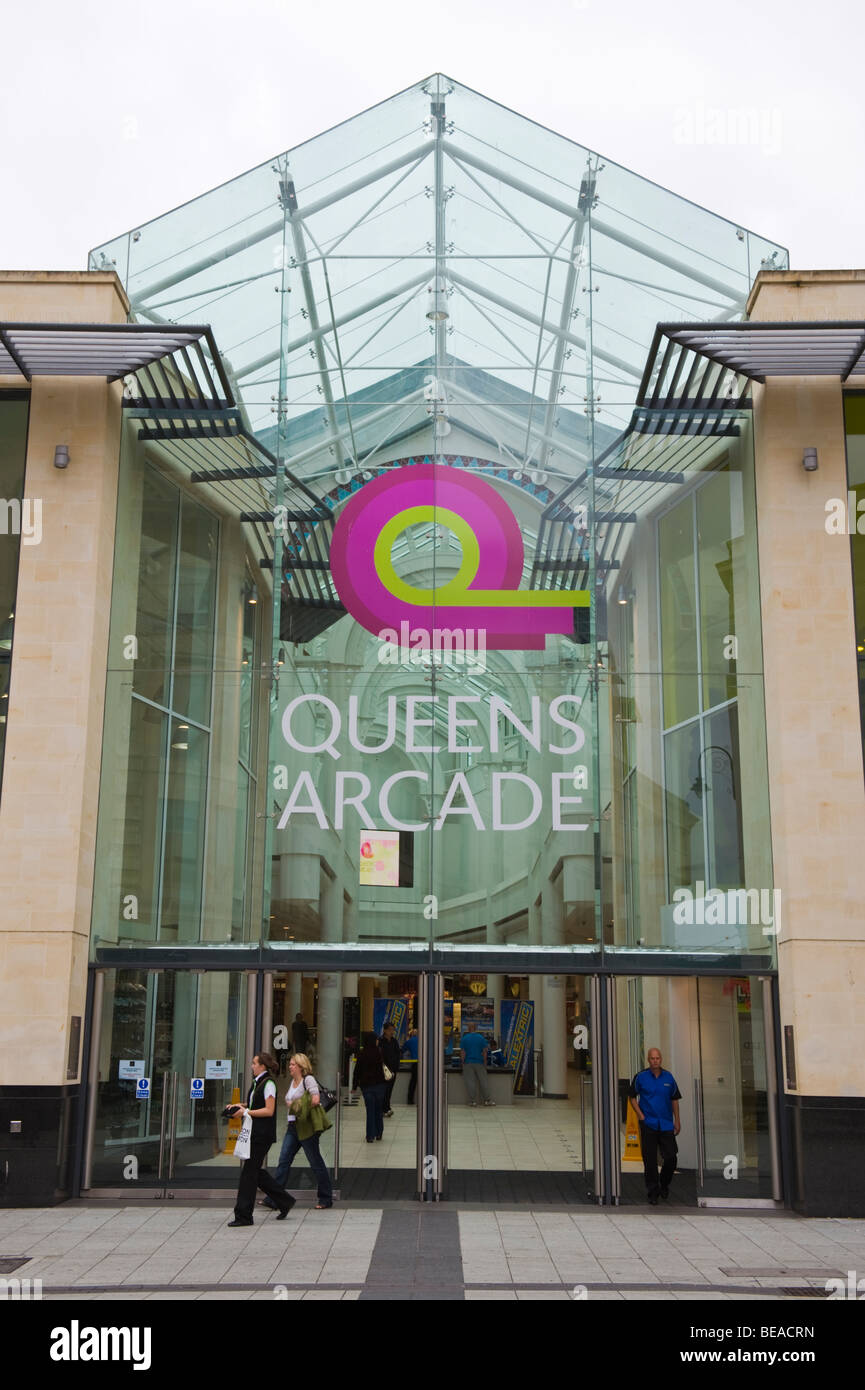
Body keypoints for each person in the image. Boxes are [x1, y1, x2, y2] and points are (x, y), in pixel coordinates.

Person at [228, 1052, 294, 1226]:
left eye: (254, 1063)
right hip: (255, 1133)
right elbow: (253, 1105)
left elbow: (269, 1110)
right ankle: (284, 1201)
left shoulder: (268, 1084)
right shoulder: (258, 1083)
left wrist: (246, 1112)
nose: (252, 1066)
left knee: (249, 1174)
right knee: (255, 1172)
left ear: (262, 1066)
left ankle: (244, 1215)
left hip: (261, 1135)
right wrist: (239, 1106)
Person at [262, 1051, 333, 1211]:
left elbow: (315, 1099)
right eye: (290, 1064)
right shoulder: (293, 1081)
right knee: (284, 1161)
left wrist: (295, 1104)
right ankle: (274, 1198)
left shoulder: (308, 1080)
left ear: (301, 1066)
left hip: (306, 1127)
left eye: (293, 1064)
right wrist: (293, 1103)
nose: (290, 1067)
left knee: (315, 1162)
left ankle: (325, 1197)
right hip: (292, 1127)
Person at [629, 1047, 682, 1205]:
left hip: (666, 1124)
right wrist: (641, 1116)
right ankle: (653, 1191)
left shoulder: (669, 1078)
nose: (655, 1061)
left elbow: (674, 1099)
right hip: (648, 1124)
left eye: (657, 1058)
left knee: (671, 1158)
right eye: (652, 1058)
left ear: (661, 1059)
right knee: (650, 1160)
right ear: (648, 1060)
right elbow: (632, 1097)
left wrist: (677, 1120)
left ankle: (664, 1184)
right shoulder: (640, 1077)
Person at [353, 1032, 387, 1141]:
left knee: (370, 1110)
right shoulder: (380, 1052)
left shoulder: (362, 1053)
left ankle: (370, 1135)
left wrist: (354, 1086)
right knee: (378, 1109)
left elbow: (357, 1071)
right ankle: (379, 1132)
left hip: (366, 1086)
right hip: (379, 1085)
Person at [461, 1023, 495, 1107]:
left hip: (468, 1062)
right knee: (483, 1081)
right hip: (479, 1062)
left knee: (470, 1082)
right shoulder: (481, 1038)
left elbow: (463, 1052)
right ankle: (487, 1100)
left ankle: (472, 1101)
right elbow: (484, 1052)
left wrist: (462, 1063)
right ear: (476, 1028)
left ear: (468, 1029)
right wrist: (485, 1063)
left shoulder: (464, 1039)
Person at [380, 1021, 402, 1117]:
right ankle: (384, 1109)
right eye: (390, 1030)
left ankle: (387, 1108)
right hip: (383, 1070)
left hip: (393, 1070)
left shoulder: (394, 1041)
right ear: (385, 1030)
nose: (392, 1032)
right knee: (384, 1090)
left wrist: (396, 1066)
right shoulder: (380, 1041)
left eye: (393, 1030)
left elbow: (398, 1054)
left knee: (389, 1090)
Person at [403, 1027, 419, 1104]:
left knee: (413, 1082)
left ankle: (410, 1100)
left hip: (415, 1063)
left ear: (411, 1034)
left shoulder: (409, 1041)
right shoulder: (424, 1040)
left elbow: (402, 1050)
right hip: (424, 1064)